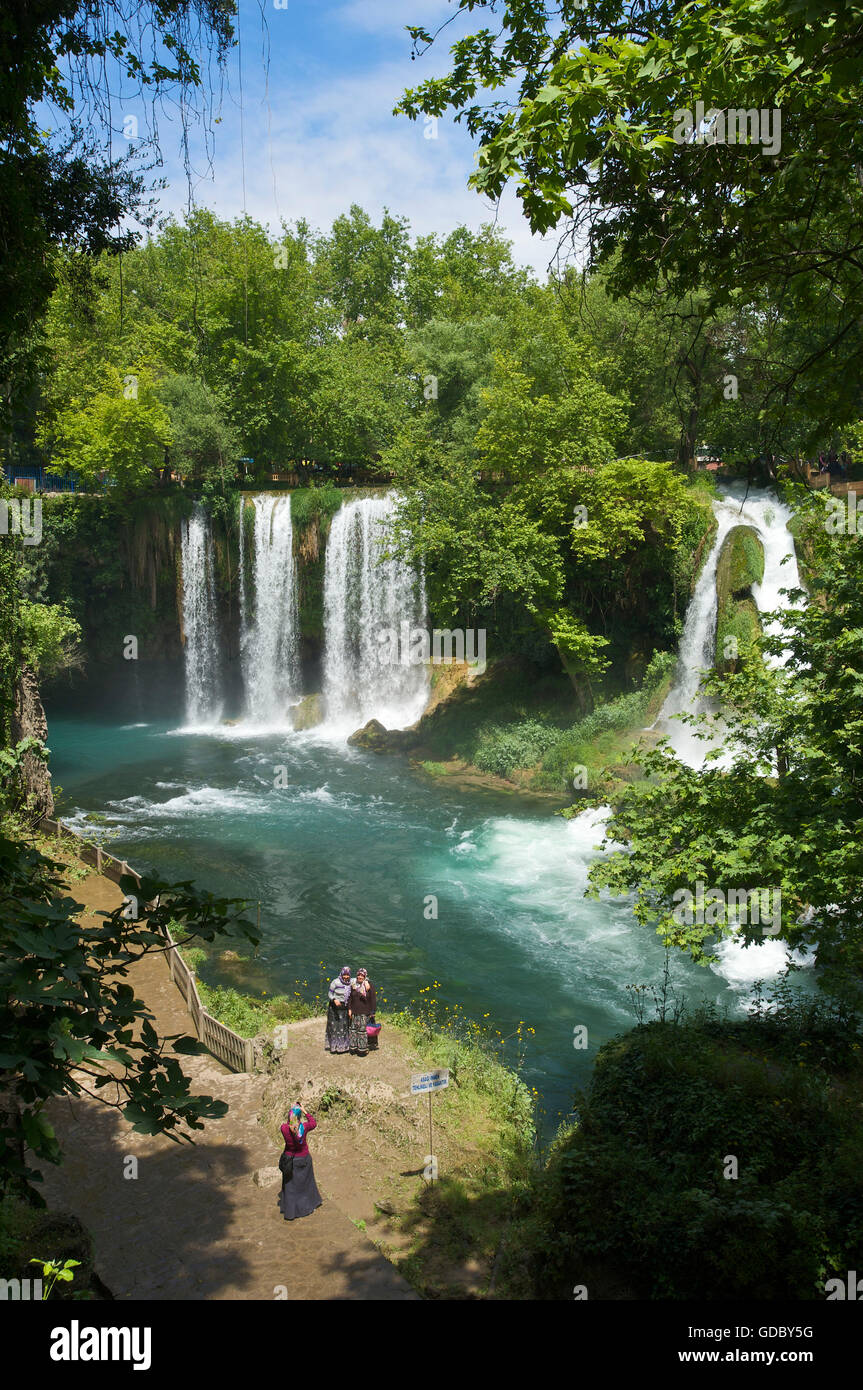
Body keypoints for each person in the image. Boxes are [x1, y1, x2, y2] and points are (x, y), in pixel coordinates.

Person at [278, 1105, 322, 1221]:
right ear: (299, 1118)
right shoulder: (304, 1127)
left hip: (289, 1161)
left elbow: (289, 1125)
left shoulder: (283, 1128)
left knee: (290, 1187)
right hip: (303, 1160)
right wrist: (304, 1110)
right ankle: (306, 1207)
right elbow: (313, 1123)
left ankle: (291, 1213)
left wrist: (293, 1112)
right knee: (306, 1184)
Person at [348, 967, 378, 1056]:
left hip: (364, 1012)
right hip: (354, 1012)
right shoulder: (353, 985)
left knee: (362, 1032)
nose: (360, 977)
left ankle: (362, 1050)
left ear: (365, 976)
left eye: (362, 975)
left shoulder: (369, 985)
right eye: (359, 975)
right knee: (353, 1030)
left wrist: (373, 1012)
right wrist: (349, 1009)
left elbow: (373, 999)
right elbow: (350, 998)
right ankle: (353, 1048)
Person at [325, 965, 352, 1053]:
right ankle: (333, 1046)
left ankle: (343, 1047)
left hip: (344, 1008)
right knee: (334, 1026)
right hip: (334, 1007)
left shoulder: (351, 982)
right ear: (341, 974)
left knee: (343, 1027)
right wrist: (334, 999)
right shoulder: (335, 982)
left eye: (348, 975)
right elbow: (330, 994)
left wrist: (367, 982)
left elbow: (362, 979)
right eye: (344, 974)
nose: (346, 977)